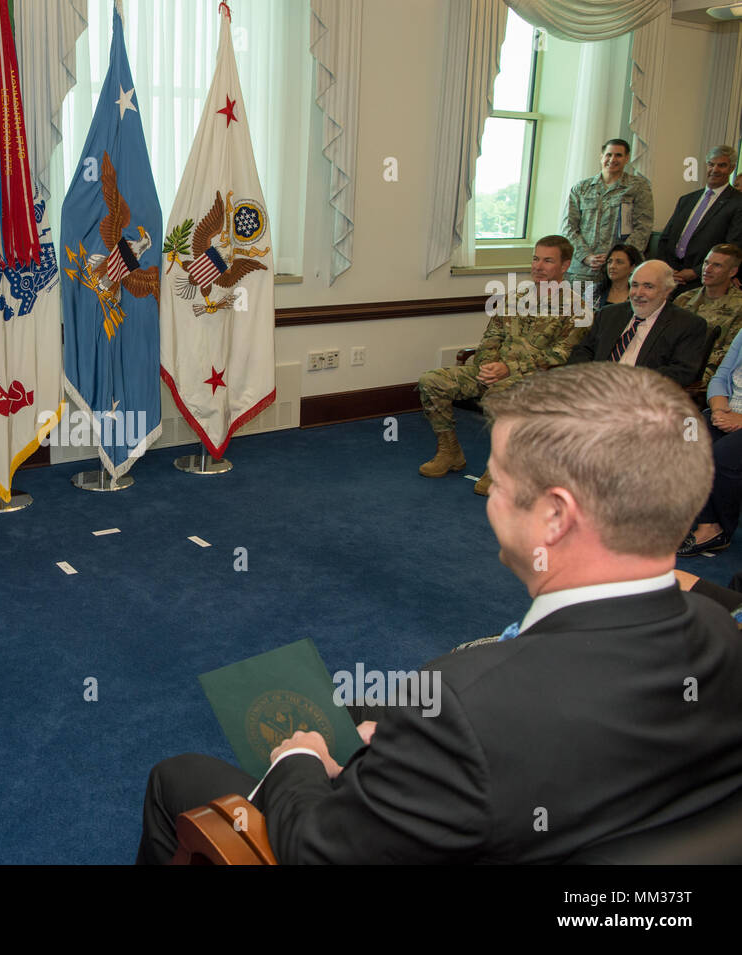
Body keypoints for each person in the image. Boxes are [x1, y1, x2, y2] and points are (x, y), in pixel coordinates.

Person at [138, 363, 742, 864]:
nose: (488, 498)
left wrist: (301, 763)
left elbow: (319, 853)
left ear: (555, 517)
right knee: (358, 715)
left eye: (498, 481)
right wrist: (405, 757)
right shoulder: (720, 631)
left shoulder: (466, 705)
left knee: (178, 775)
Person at [416, 235, 580, 496]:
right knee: (432, 381)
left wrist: (508, 369)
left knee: (499, 395)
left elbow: (559, 355)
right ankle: (450, 451)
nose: (538, 266)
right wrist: (489, 366)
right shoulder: (516, 297)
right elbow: (492, 337)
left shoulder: (576, 307)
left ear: (565, 266)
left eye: (548, 260)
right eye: (535, 258)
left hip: (537, 379)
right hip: (496, 372)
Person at [566, 259, 707, 385]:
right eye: (634, 285)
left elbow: (682, 372)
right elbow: (583, 351)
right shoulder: (609, 314)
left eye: (648, 286)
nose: (638, 293)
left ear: (667, 291)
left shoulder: (687, 325)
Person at [677, 329, 742, 557]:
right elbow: (720, 376)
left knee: (722, 455)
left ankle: (715, 529)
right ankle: (696, 517)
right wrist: (718, 409)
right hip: (725, 411)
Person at [563, 138, 654, 287]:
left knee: (613, 310)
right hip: (583, 270)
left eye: (618, 155)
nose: (612, 159)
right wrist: (586, 257)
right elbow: (568, 228)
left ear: (626, 158)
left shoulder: (638, 187)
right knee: (577, 310)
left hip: (621, 273)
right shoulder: (581, 188)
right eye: (608, 155)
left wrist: (618, 259)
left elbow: (643, 228)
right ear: (601, 156)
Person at [655, 146, 742, 294]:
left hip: (702, 281)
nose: (715, 169)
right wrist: (667, 269)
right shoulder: (687, 200)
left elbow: (733, 247)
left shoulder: (737, 202)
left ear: (732, 168)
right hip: (669, 278)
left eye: (722, 165)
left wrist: (696, 271)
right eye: (711, 164)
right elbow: (665, 238)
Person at [672, 243, 742, 386]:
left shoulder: (739, 306)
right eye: (706, 263)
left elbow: (728, 354)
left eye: (717, 265)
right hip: (674, 369)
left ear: (732, 272)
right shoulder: (684, 299)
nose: (707, 269)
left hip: (708, 379)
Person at [593, 242, 641, 309]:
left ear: (632, 267)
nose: (612, 266)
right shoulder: (594, 290)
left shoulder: (639, 295)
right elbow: (580, 317)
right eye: (610, 262)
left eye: (619, 262)